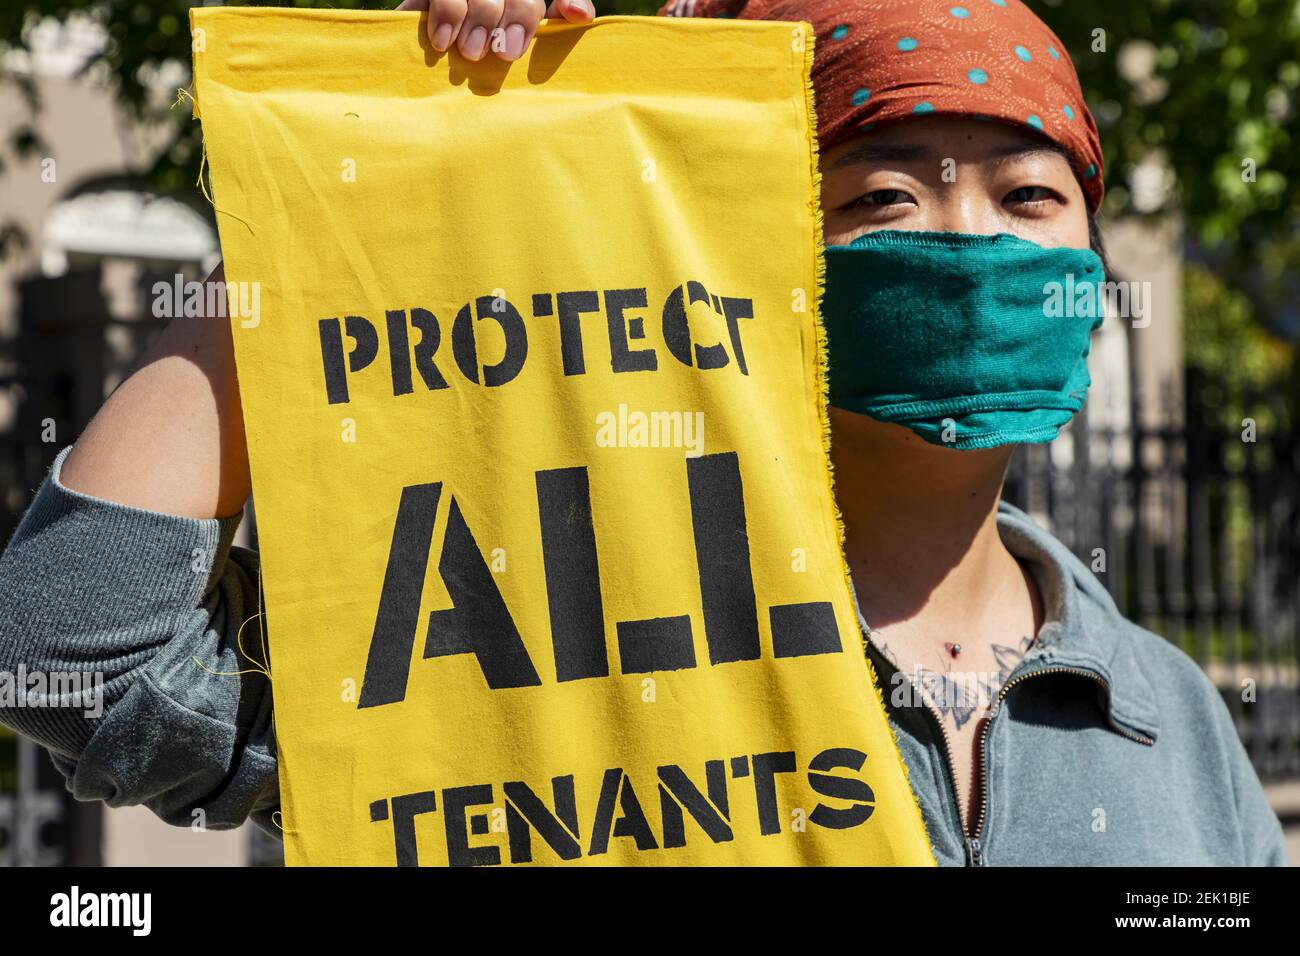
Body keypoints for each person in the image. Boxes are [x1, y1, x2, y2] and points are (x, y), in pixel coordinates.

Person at [0, 0, 1287, 865]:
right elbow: (68, 645)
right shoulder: (523, 639)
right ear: (749, 250)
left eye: (1027, 194)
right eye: (884, 192)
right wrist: (400, 185)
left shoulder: (1170, 715)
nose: (968, 242)